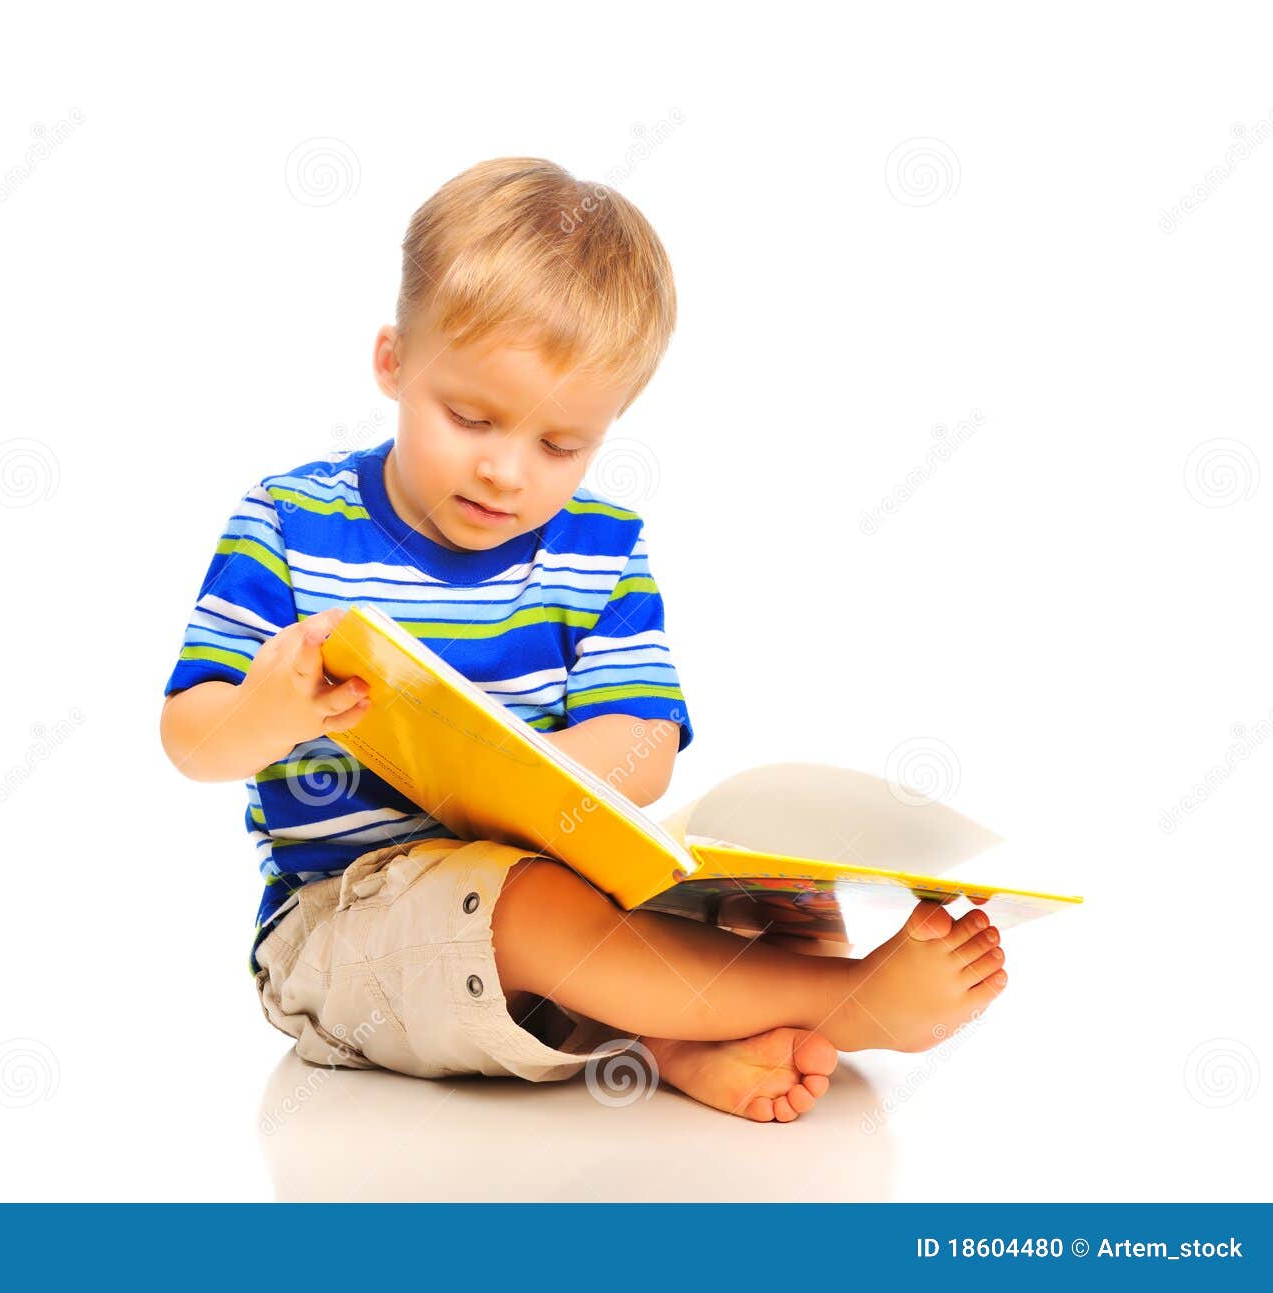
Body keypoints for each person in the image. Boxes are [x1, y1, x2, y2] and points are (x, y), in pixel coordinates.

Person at [159, 158, 1007, 1121]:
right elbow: (190, 736)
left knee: (760, 879)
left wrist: (519, 776)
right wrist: (266, 712)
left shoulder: (598, 549)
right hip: (345, 930)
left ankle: (689, 1031)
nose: (507, 471)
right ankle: (845, 999)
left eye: (561, 445)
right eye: (469, 417)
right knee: (530, 906)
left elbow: (641, 745)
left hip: (563, 893)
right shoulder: (288, 520)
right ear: (393, 362)